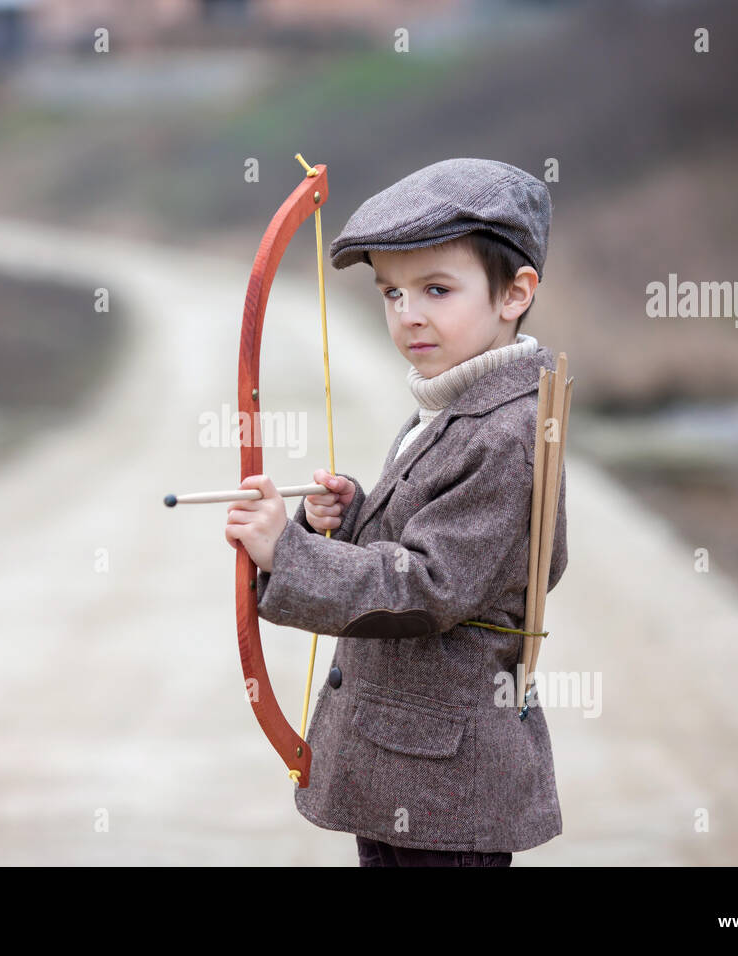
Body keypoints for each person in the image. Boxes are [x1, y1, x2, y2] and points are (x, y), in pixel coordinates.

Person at [223, 157, 568, 867]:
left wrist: (286, 554)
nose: (408, 314)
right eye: (390, 293)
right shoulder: (456, 404)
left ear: (515, 293)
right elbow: (429, 540)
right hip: (409, 768)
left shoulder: (504, 433)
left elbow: (429, 587)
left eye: (437, 289)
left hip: (446, 787)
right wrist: (350, 519)